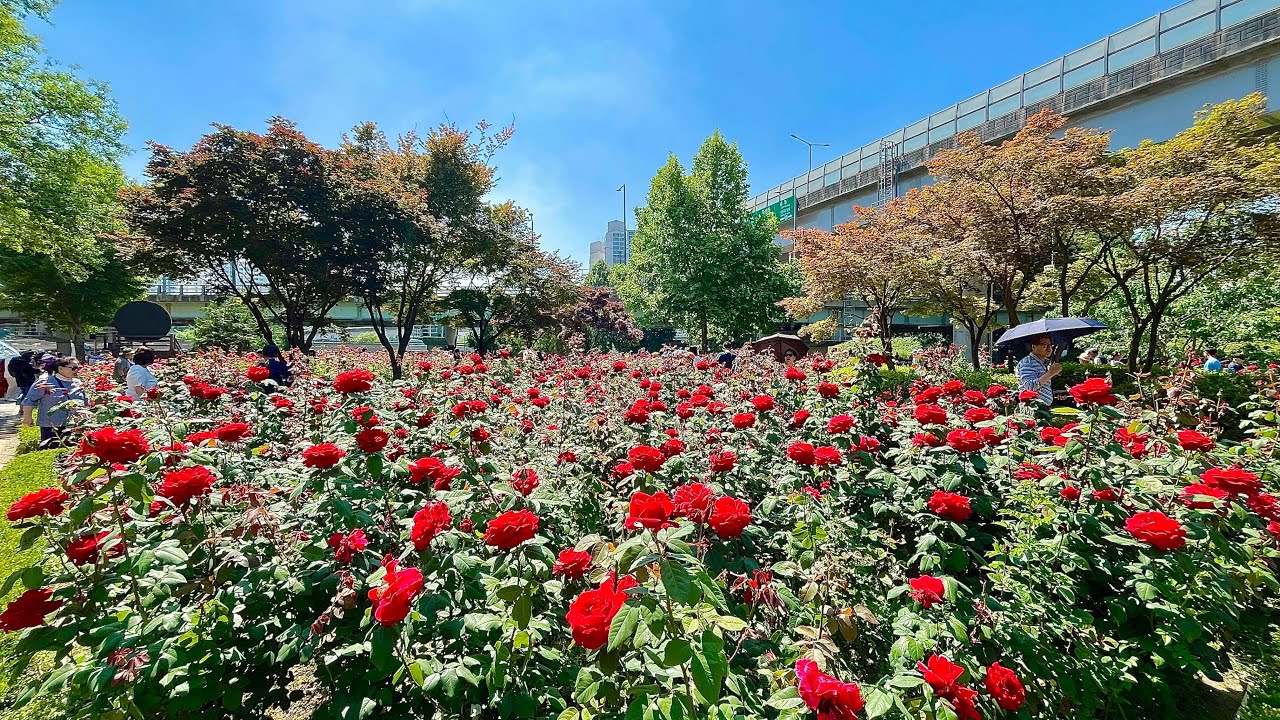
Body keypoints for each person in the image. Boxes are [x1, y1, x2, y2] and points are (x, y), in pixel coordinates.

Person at [20, 357, 88, 448]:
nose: (77, 371)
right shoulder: (46, 382)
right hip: (51, 426)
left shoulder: (78, 383)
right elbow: (29, 400)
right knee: (50, 449)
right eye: (73, 368)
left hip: (74, 425)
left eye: (78, 368)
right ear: (60, 369)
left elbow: (85, 402)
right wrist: (27, 418)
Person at [1016, 335, 1061, 405]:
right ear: (1033, 347)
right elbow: (1030, 387)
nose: (1049, 348)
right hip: (1032, 407)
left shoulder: (1042, 362)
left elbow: (1042, 387)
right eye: (1045, 345)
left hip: (1041, 406)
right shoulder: (1028, 363)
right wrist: (1050, 373)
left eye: (1050, 345)